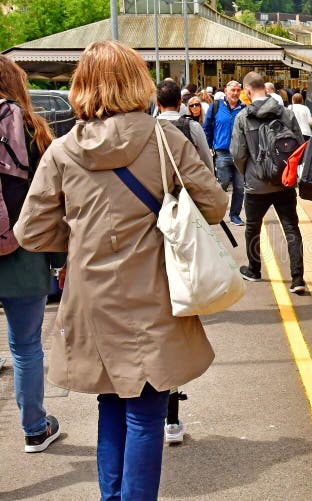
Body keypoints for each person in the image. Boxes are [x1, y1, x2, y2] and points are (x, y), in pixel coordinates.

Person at [14, 40, 228, 500]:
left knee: (110, 401)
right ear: (137, 82)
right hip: (154, 291)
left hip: (90, 296)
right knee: (147, 411)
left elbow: (29, 231)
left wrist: (78, 241)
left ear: (81, 86)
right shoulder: (164, 139)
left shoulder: (63, 151)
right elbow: (215, 204)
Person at [0, 55, 63, 453]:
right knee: (25, 346)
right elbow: (51, 202)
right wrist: (58, 260)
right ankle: (35, 429)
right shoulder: (31, 126)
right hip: (23, 250)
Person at [231, 72, 306, 293]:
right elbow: (299, 146)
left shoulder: (243, 117)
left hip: (256, 186)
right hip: (284, 183)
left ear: (247, 91)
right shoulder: (285, 114)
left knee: (253, 227)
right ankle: (298, 279)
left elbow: (237, 153)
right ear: (265, 87)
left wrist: (249, 173)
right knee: (291, 227)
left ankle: (254, 270)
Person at [204, 80, 246, 225]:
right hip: (222, 152)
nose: (235, 93)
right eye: (232, 90)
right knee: (222, 183)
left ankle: (235, 215)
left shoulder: (244, 108)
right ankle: (217, 213)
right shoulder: (215, 106)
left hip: (240, 154)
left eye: (237, 90)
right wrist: (208, 145)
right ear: (226, 91)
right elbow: (207, 127)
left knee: (240, 187)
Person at [156, 80, 214, 173]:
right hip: (187, 183)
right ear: (180, 102)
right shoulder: (193, 126)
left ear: (158, 103)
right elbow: (206, 158)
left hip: (158, 183)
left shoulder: (149, 127)